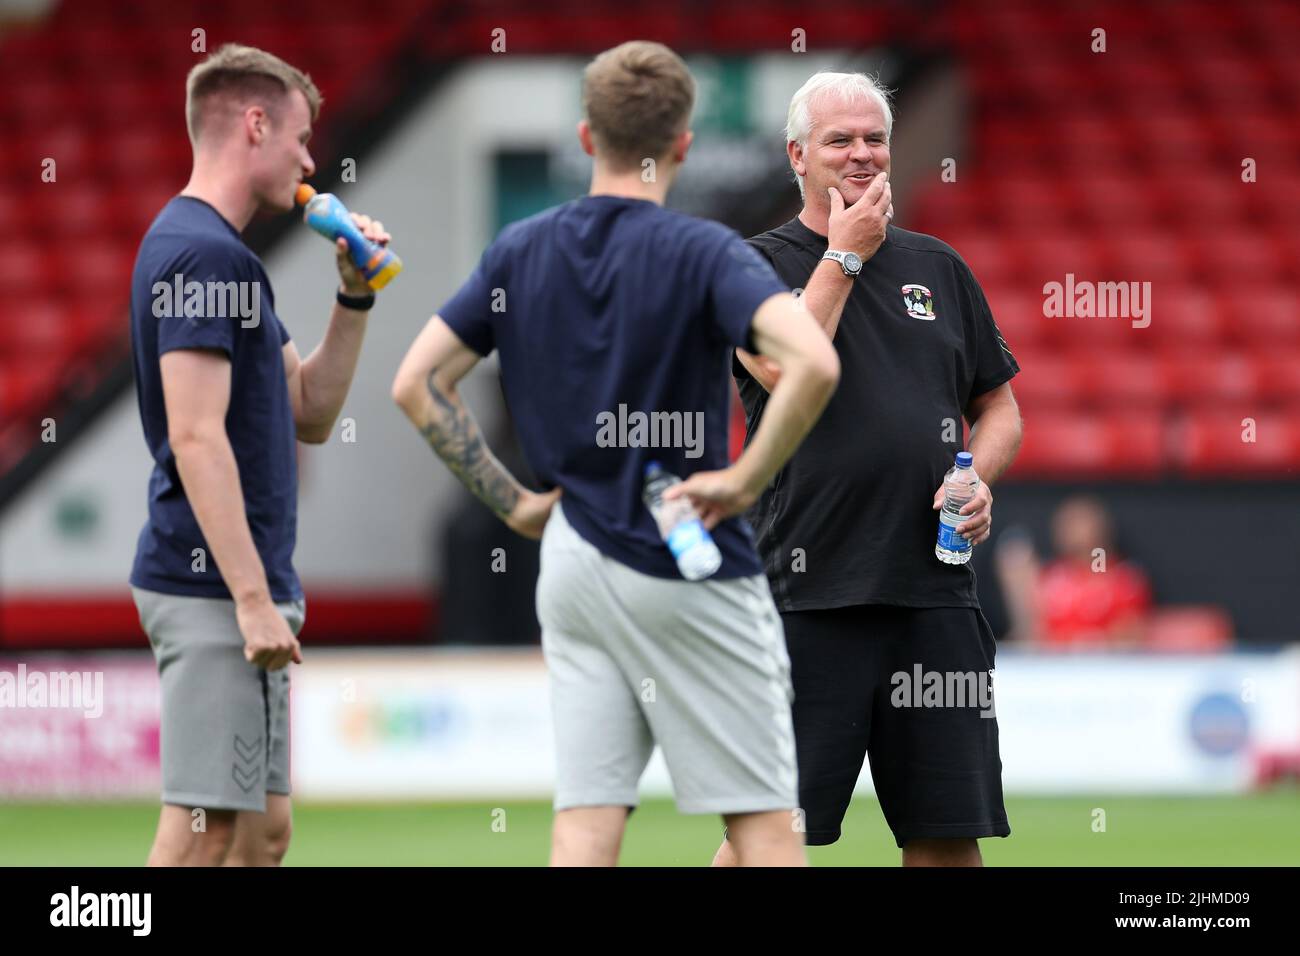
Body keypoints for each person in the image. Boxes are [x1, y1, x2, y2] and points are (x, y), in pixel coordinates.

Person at [392, 41, 840, 866]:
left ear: (585, 137)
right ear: (683, 144)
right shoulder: (705, 251)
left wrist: (515, 503)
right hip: (683, 554)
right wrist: (744, 479)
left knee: (586, 828)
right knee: (766, 828)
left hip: (571, 560)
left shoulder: (517, 251)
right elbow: (813, 360)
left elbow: (416, 384)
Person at [717, 71, 1023, 867]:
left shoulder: (940, 266)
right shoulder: (751, 264)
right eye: (839, 141)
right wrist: (845, 258)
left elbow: (1000, 408)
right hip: (806, 592)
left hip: (934, 593)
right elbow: (785, 371)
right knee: (769, 838)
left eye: (874, 139)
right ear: (797, 156)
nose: (861, 155)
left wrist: (976, 478)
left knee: (949, 839)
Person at [128, 44, 392, 865]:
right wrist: (248, 599)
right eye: (302, 137)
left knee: (262, 835)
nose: (312, 160)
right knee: (202, 838)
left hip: (243, 587)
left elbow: (308, 410)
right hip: (215, 588)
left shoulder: (226, 257)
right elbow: (196, 435)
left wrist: (354, 293)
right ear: (254, 124)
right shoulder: (202, 254)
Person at [995, 497, 1152, 648]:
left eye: (1078, 522)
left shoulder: (1123, 579)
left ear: (1100, 527)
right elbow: (1029, 633)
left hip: (1103, 668)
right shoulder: (1049, 576)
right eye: (1065, 523)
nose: (1069, 530)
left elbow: (1130, 638)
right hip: (1051, 667)